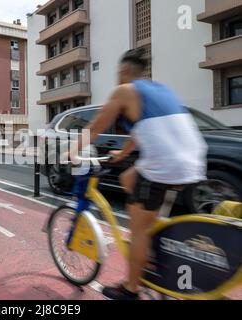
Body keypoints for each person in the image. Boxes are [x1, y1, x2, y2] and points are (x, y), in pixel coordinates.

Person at [69, 48, 208, 300]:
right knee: (128, 177)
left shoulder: (125, 91)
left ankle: (131, 288)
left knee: (139, 228)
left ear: (123, 71)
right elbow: (141, 130)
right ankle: (154, 232)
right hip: (194, 160)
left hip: (166, 165)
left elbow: (96, 125)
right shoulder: (161, 89)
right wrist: (123, 153)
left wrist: (72, 151)